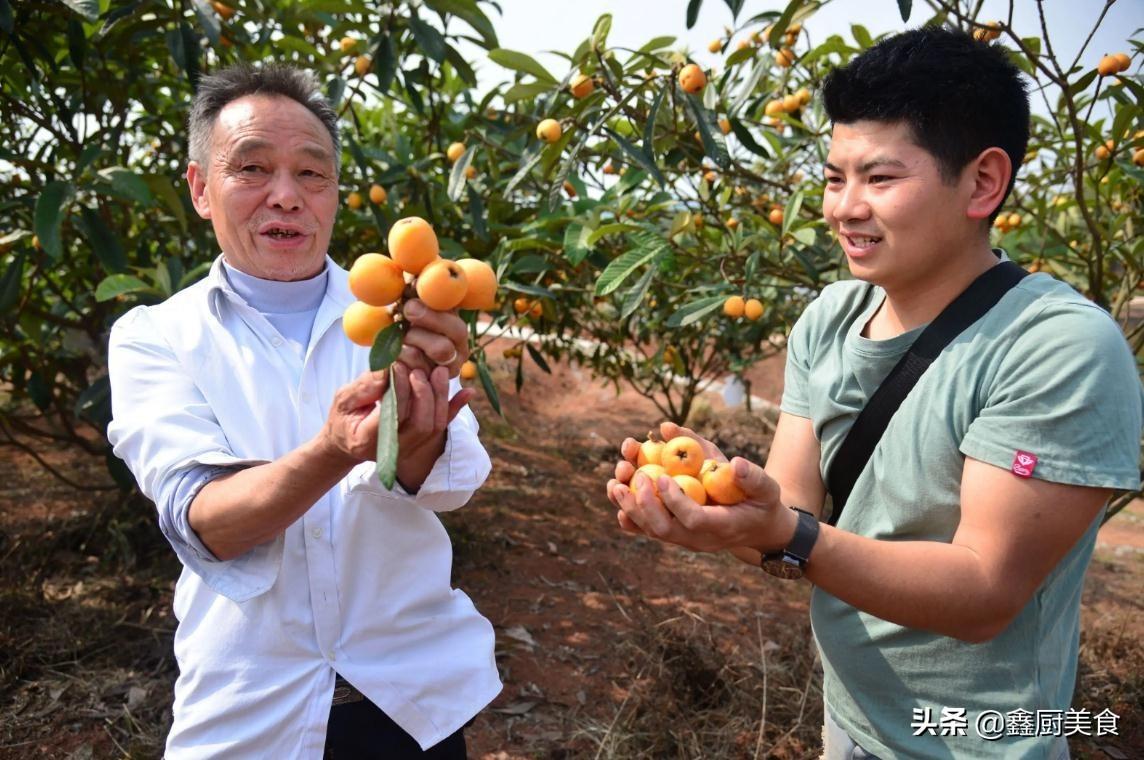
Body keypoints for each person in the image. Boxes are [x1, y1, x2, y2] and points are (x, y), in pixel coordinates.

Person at [607, 27, 1142, 759]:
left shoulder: (1057, 347)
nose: (844, 209)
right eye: (834, 179)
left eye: (880, 179)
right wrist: (726, 505)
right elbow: (794, 522)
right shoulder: (830, 317)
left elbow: (984, 592)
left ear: (983, 183)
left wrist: (785, 533)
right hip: (851, 718)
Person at [107, 63, 501, 758]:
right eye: (252, 168)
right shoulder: (155, 337)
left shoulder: (403, 319)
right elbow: (208, 523)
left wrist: (415, 437)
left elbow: (451, 485)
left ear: (335, 193)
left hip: (411, 705)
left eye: (312, 174)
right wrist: (333, 450)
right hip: (251, 716)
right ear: (200, 189)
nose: (286, 196)